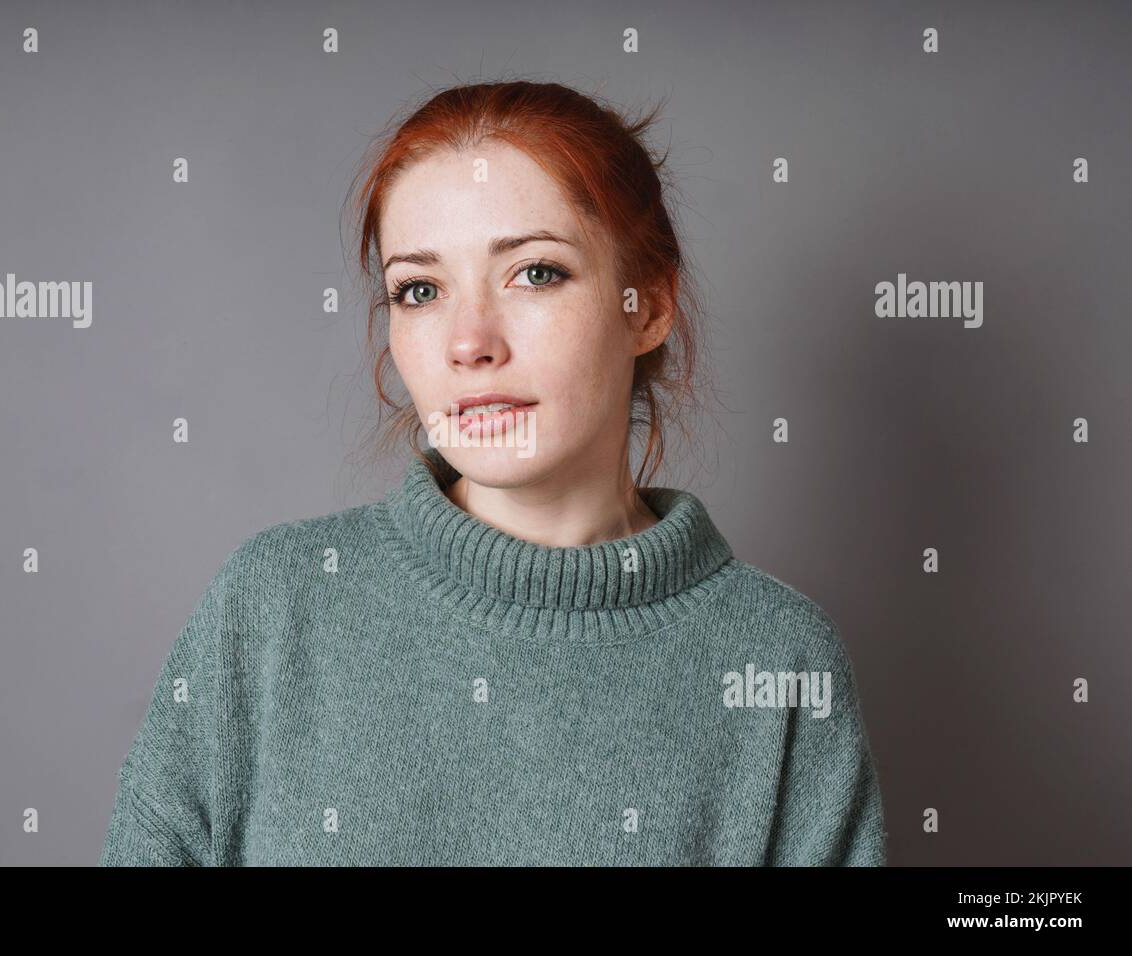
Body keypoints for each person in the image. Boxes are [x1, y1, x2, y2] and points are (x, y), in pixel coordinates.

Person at [98, 80, 886, 866]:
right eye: (420, 289)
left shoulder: (779, 660)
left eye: (535, 272)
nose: (468, 341)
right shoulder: (271, 607)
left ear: (647, 306)